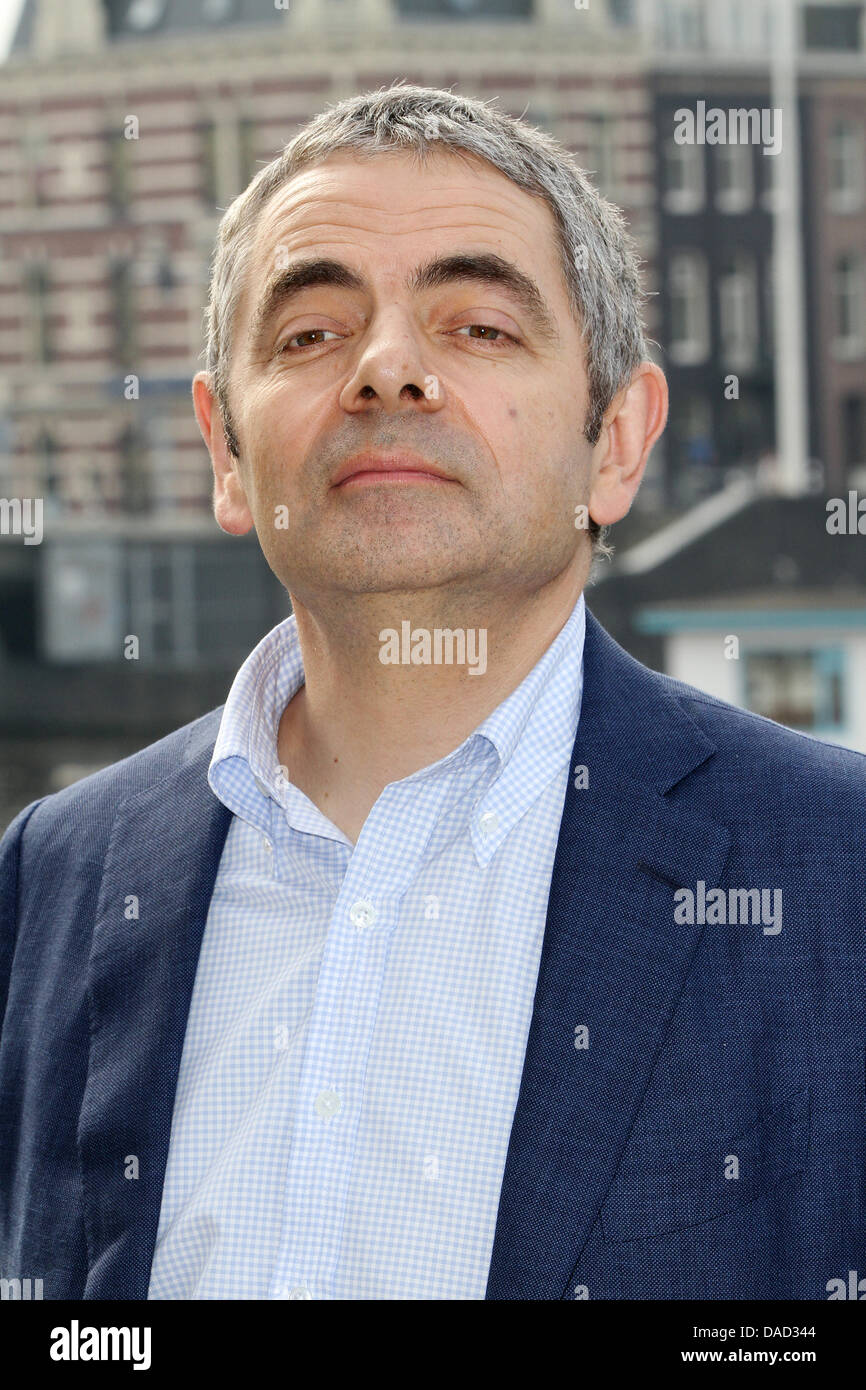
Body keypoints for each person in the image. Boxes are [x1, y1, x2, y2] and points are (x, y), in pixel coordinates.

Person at [1, 83, 863, 1302]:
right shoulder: (57, 875)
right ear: (224, 452)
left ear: (614, 440)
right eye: (309, 336)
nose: (387, 370)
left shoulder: (833, 874)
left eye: (477, 327)